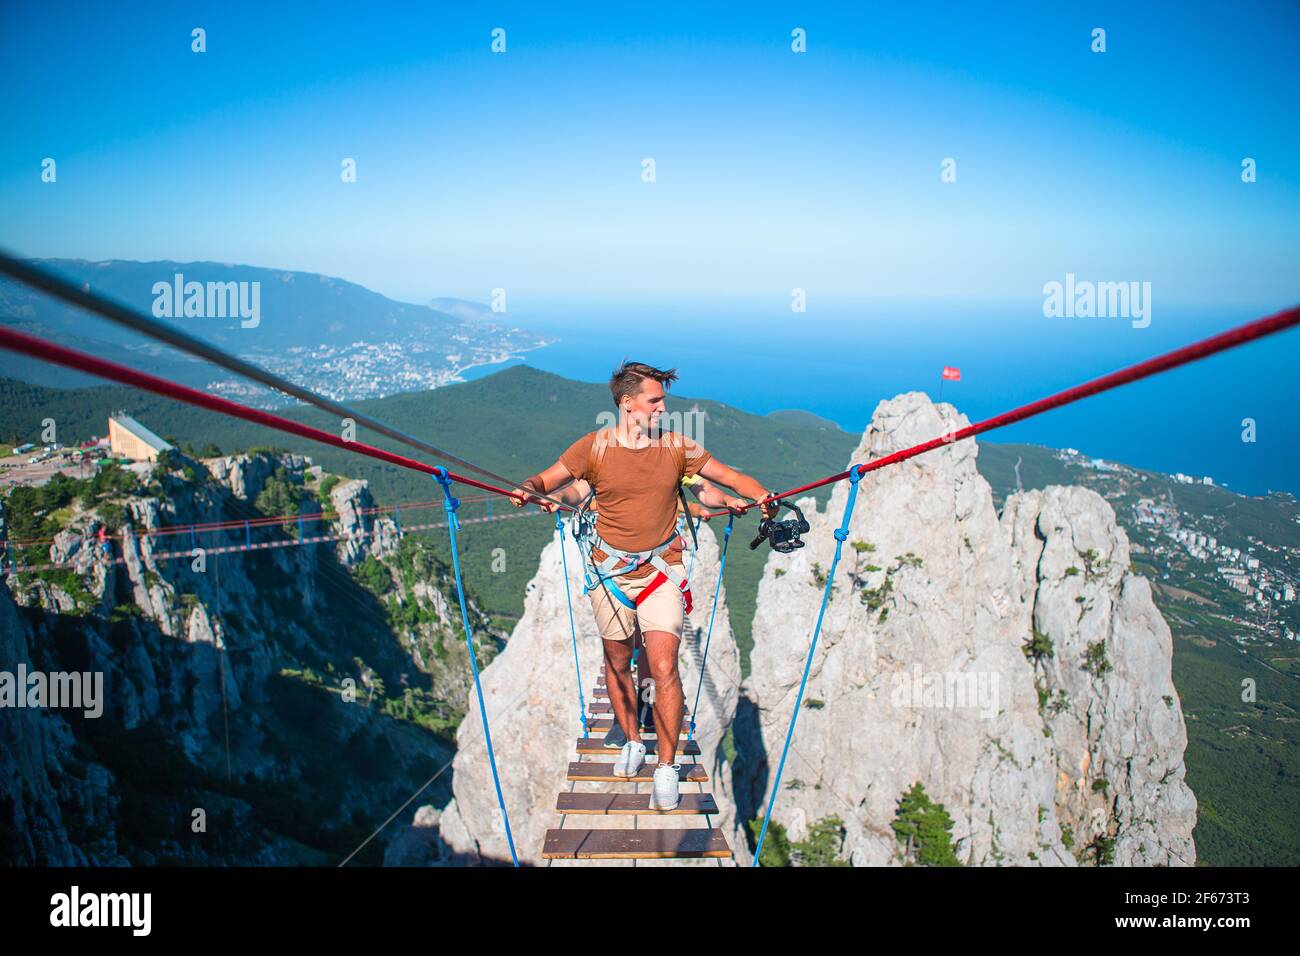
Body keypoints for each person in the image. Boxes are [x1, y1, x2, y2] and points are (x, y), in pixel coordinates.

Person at [511, 361, 777, 811]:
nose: (662, 408)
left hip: (661, 571)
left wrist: (761, 495)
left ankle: (667, 766)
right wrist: (532, 490)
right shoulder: (593, 449)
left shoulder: (677, 448)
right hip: (610, 575)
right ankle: (633, 738)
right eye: (654, 401)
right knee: (617, 663)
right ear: (626, 403)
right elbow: (555, 482)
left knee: (663, 665)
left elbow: (727, 478)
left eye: (663, 401)